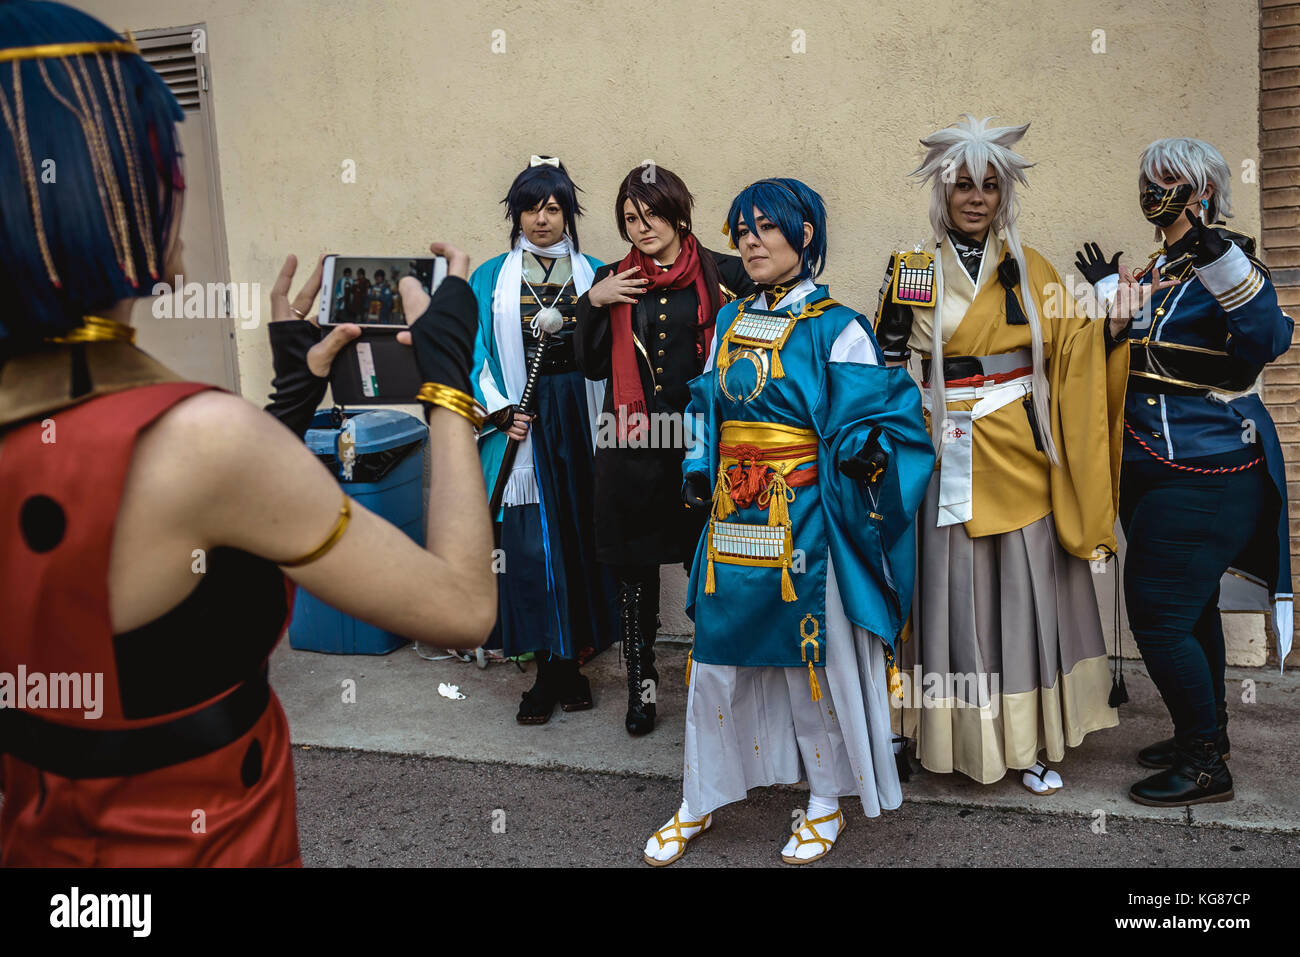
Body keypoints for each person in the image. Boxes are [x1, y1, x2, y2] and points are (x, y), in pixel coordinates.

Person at [0, 1, 495, 866]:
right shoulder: (204, 445)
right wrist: (447, 380)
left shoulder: (201, 445)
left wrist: (292, 400)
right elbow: (461, 606)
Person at [642, 177, 933, 865]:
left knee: (811, 670)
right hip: (732, 522)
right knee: (713, 665)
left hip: (808, 525)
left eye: (766, 227)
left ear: (804, 236)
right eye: (741, 228)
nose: (749, 240)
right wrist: (695, 463)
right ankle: (699, 798)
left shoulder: (841, 328)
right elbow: (704, 408)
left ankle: (826, 800)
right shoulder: (733, 322)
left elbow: (884, 421)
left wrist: (867, 454)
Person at [875, 115, 1144, 795]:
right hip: (947, 454)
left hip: (1021, 452)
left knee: (1026, 598)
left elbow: (1075, 349)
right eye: (963, 184)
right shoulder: (913, 267)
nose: (976, 197)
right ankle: (951, 736)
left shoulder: (1032, 268)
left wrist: (1111, 323)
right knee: (952, 597)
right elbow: (886, 366)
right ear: (943, 192)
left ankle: (1026, 741)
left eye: (989, 186)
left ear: (1003, 196)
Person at [1076, 137, 1293, 807]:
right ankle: (1205, 736)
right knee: (1190, 611)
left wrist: (1217, 255)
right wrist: (1110, 296)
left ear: (1204, 190)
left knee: (1160, 618)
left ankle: (1205, 765)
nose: (1155, 187)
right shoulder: (1159, 269)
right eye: (1148, 176)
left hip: (1207, 470)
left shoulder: (1233, 262)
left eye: (1171, 177)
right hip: (1150, 470)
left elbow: (1266, 341)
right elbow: (1135, 359)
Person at [575, 163, 754, 736]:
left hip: (705, 447)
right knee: (634, 576)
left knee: (714, 569)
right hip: (630, 449)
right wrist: (593, 301)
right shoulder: (611, 278)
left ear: (678, 212)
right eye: (630, 218)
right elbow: (592, 364)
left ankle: (719, 686)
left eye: (651, 214)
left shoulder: (726, 275)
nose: (642, 226)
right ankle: (641, 688)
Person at [469, 156, 617, 724]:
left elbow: (616, 350)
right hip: (522, 421)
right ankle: (546, 672)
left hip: (581, 416)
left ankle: (572, 663)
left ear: (569, 214)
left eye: (552, 208)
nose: (541, 219)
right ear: (516, 215)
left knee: (580, 535)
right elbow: (474, 349)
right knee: (531, 547)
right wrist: (503, 410)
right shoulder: (490, 277)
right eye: (530, 208)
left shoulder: (597, 273)